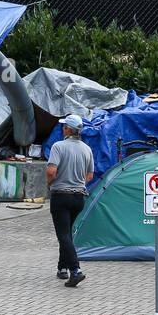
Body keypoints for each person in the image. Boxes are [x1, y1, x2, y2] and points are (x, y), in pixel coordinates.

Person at [47, 113, 94, 286]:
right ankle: (62, 268)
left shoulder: (58, 147)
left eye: (63, 126)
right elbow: (89, 175)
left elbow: (51, 171)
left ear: (68, 129)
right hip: (78, 198)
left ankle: (75, 270)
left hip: (61, 196)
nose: (62, 128)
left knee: (63, 234)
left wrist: (49, 183)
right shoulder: (86, 149)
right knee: (67, 232)